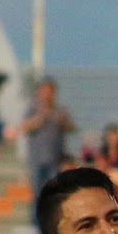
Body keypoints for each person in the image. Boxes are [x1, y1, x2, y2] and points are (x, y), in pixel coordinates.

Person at [14, 78, 74, 216]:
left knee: (52, 194)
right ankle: (36, 224)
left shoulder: (59, 111)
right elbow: (23, 127)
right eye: (45, 91)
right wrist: (40, 118)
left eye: (50, 91)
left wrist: (62, 121)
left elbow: (71, 127)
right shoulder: (33, 109)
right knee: (37, 193)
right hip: (37, 159)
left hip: (54, 159)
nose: (48, 95)